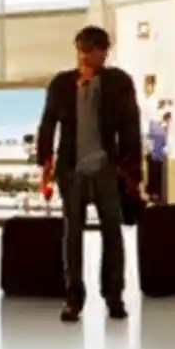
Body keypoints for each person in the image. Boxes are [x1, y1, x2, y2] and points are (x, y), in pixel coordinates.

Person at [37, 25, 142, 323]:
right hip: (72, 171)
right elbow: (48, 124)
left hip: (107, 169)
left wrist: (132, 172)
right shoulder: (61, 84)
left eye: (92, 49)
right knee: (73, 236)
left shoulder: (118, 82)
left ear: (103, 52)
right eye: (82, 48)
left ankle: (114, 295)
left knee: (113, 233)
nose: (86, 54)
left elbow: (131, 125)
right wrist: (46, 164)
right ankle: (73, 297)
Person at [145, 102, 171, 205]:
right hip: (155, 155)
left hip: (158, 156)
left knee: (157, 177)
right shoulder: (156, 124)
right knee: (155, 176)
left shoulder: (160, 126)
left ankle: (155, 195)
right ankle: (154, 194)